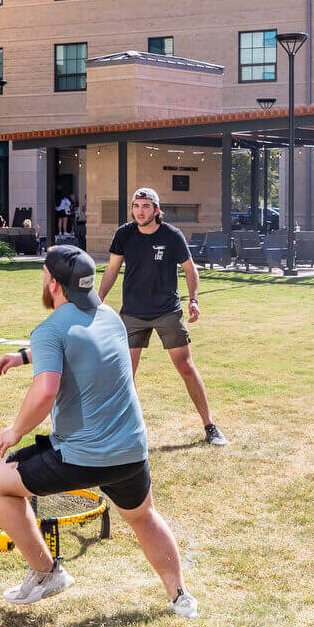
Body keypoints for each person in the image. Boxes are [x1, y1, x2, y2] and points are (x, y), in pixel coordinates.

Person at [0, 245, 199, 616]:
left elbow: (46, 390)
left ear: (53, 284)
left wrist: (15, 430)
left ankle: (46, 572)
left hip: (81, 457)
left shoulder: (50, 329)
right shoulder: (110, 317)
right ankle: (181, 597)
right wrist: (23, 356)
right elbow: (79, 342)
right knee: (143, 516)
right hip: (130, 451)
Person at [98, 187, 228, 447]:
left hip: (167, 311)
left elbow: (191, 271)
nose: (140, 211)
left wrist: (193, 300)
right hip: (133, 313)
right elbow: (112, 270)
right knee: (126, 373)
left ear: (157, 210)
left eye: (146, 206)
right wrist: (97, 301)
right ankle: (126, 429)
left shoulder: (171, 235)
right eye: (136, 206)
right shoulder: (124, 233)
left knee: (185, 366)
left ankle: (210, 425)